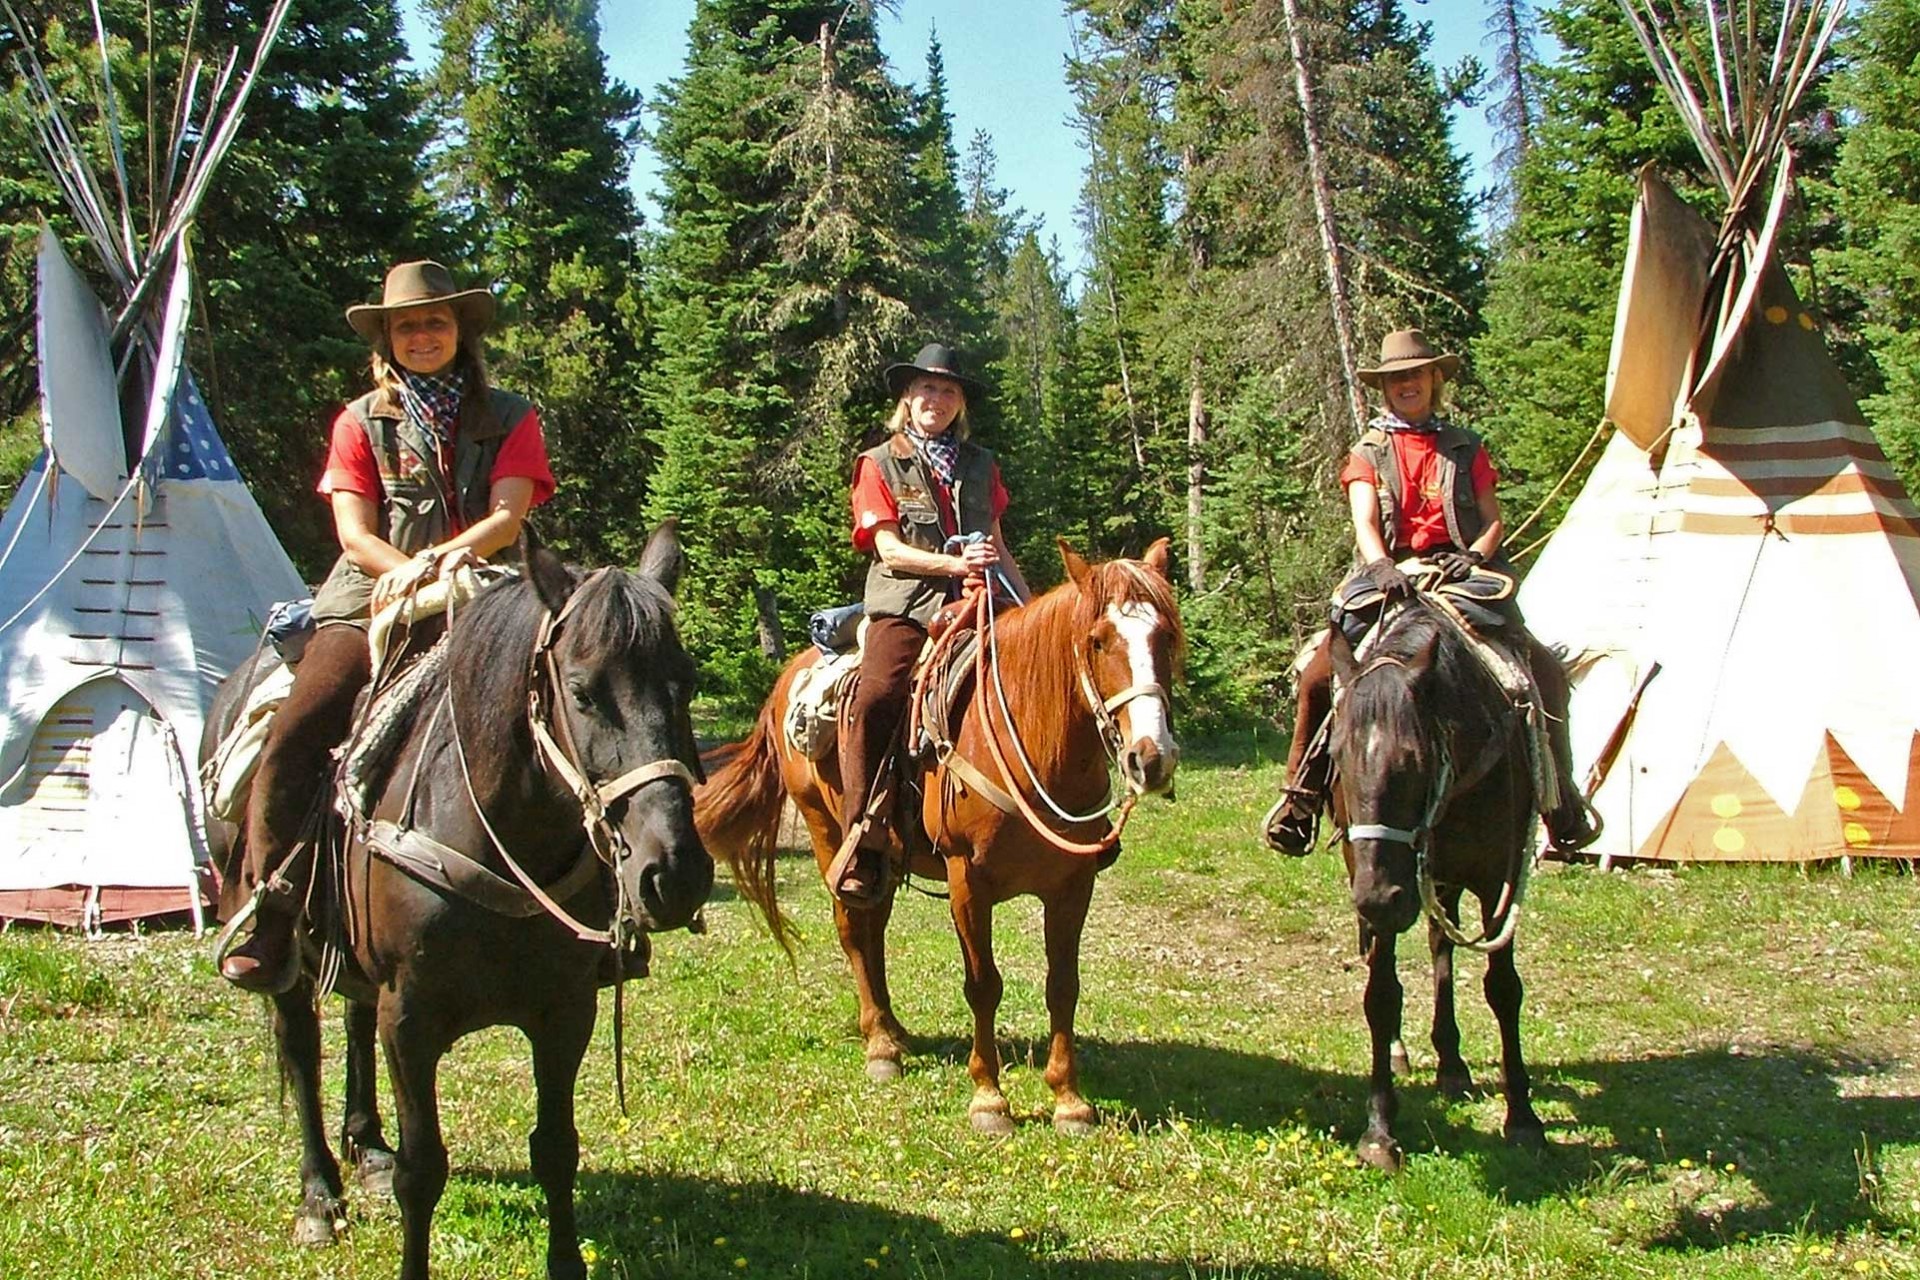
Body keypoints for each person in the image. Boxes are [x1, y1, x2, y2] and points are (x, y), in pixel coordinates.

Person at [219, 260, 555, 992]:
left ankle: (596, 909)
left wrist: (442, 564)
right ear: (388, 338)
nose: (422, 335)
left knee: (571, 703)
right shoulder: (360, 422)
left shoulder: (509, 414)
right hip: (369, 594)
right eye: (407, 325)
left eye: (435, 321)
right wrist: (407, 573)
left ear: (460, 331)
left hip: (481, 590)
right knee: (300, 726)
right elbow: (353, 532)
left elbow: (507, 515)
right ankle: (270, 912)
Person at [1264, 328, 1597, 857]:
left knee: (1543, 670)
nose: (1406, 385)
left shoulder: (1466, 446)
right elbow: (1366, 521)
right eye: (1396, 379)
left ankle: (1561, 798)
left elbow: (1492, 521)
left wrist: (1475, 556)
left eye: (1415, 375)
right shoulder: (1368, 453)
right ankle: (1300, 797)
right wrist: (1380, 565)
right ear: (1385, 388)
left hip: (1463, 574)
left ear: (1433, 379)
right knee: (1318, 675)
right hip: (1389, 576)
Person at [831, 343, 1031, 904]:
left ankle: (1063, 816)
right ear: (907, 397)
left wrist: (1030, 604)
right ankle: (863, 836)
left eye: (947, 391)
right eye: (926, 389)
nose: (935, 400)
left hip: (981, 599)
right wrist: (953, 564)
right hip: (907, 604)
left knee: (1048, 674)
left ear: (960, 403)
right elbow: (890, 550)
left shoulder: (979, 465)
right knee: (877, 695)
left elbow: (998, 545)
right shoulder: (879, 463)